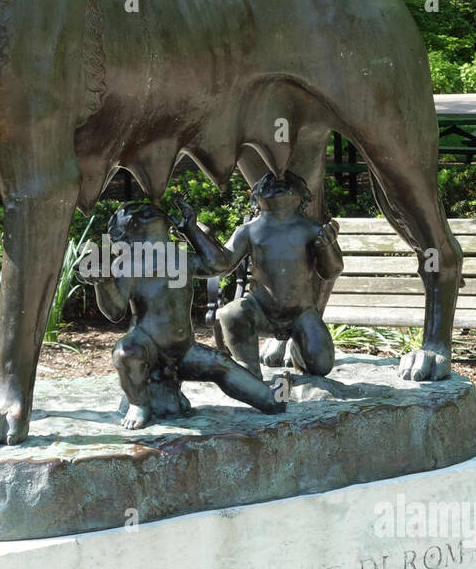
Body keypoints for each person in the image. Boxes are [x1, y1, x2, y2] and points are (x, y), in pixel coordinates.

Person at [81, 202, 286, 429]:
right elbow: (115, 312)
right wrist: (105, 283)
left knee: (222, 365)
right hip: (146, 345)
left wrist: (191, 229)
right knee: (125, 352)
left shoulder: (181, 259)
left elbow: (217, 265)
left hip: (184, 349)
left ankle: (270, 398)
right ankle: (138, 403)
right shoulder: (127, 266)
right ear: (128, 236)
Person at [172, 172, 343, 379]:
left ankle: (300, 349)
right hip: (260, 309)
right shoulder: (249, 231)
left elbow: (331, 272)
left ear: (303, 196)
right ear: (256, 198)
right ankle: (248, 367)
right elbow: (223, 265)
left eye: (287, 183)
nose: (277, 185)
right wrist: (193, 232)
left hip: (301, 313)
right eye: (269, 183)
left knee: (321, 366)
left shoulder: (311, 229)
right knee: (231, 314)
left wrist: (327, 248)